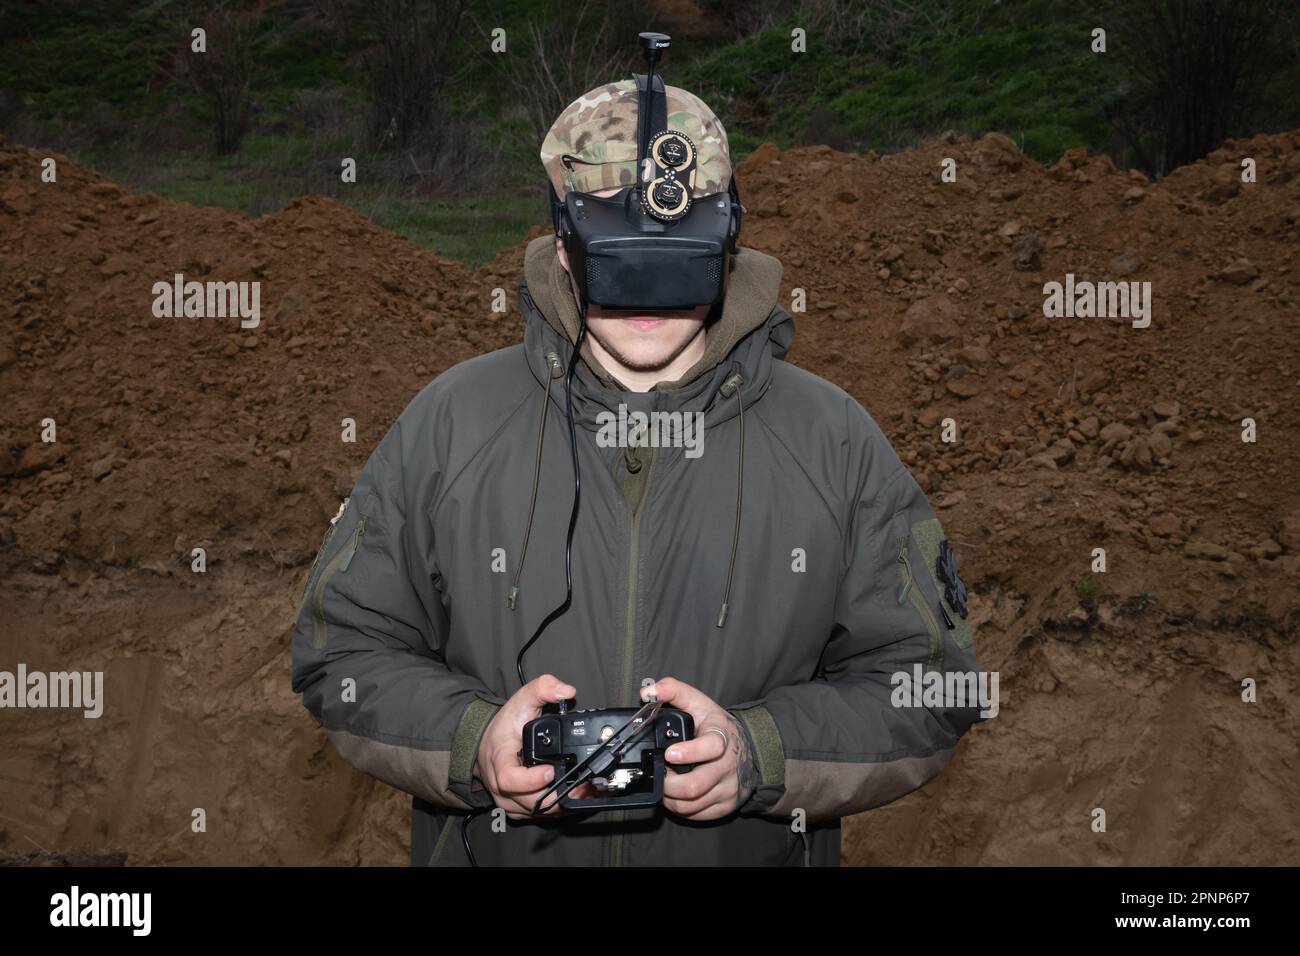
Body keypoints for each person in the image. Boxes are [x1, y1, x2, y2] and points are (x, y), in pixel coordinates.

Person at [290, 76, 984, 866]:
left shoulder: (832, 440)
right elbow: (340, 651)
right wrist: (472, 740)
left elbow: (933, 685)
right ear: (562, 245)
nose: (644, 295)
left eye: (675, 255)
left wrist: (761, 750)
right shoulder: (452, 425)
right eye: (617, 258)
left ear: (726, 241)